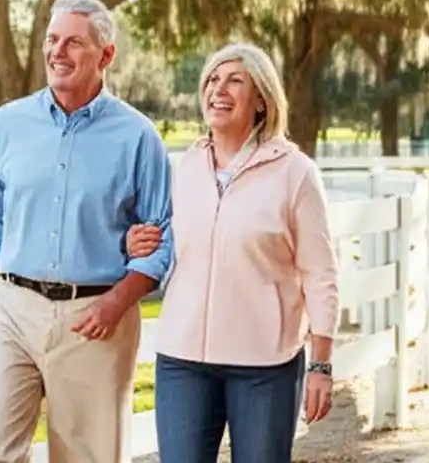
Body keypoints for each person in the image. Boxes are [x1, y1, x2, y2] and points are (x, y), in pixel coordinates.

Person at [0, 0, 172, 463]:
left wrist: (117, 303)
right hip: (12, 309)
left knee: (86, 457)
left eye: (74, 42)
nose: (58, 52)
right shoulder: (9, 124)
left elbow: (161, 240)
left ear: (106, 55)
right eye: (52, 40)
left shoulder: (138, 137)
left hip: (95, 314)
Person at [126, 41, 340, 462]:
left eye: (234, 80)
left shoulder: (296, 174)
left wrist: (321, 364)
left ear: (261, 99)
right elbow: (168, 242)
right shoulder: (186, 167)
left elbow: (321, 274)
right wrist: (137, 243)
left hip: (265, 365)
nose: (218, 89)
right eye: (212, 79)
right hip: (183, 359)